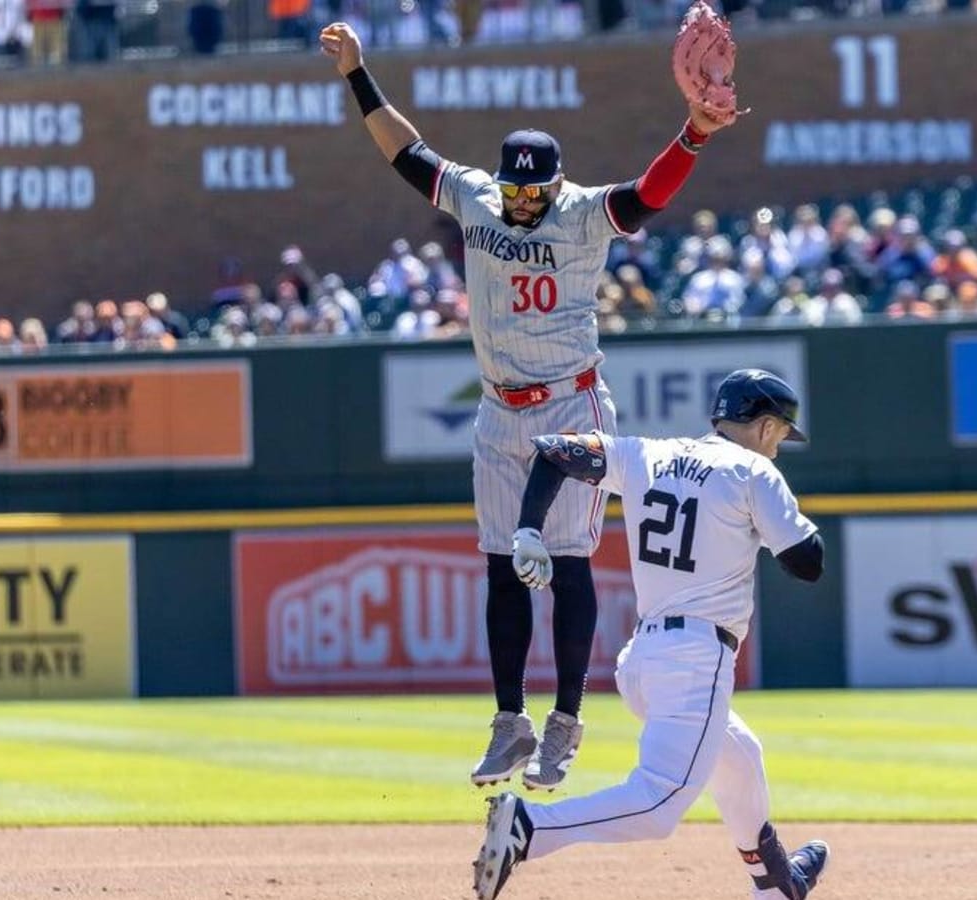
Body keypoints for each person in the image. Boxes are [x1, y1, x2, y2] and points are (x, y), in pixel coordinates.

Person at [320, 19, 730, 791]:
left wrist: (695, 134)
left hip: (570, 409)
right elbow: (406, 153)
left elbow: (646, 197)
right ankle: (509, 722)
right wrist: (358, 74)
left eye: (530, 189)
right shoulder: (479, 197)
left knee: (567, 564)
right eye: (513, 187)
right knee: (502, 569)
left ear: (553, 183)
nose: (518, 199)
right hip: (499, 411)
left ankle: (566, 723)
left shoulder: (576, 212)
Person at [472, 369, 830, 900]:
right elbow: (809, 563)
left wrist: (527, 528)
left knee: (739, 756)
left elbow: (554, 451)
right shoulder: (754, 472)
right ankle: (531, 828)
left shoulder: (648, 453)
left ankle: (775, 881)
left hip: (643, 661)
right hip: (694, 659)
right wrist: (775, 520)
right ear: (766, 425)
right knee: (659, 806)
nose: (780, 445)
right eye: (781, 433)